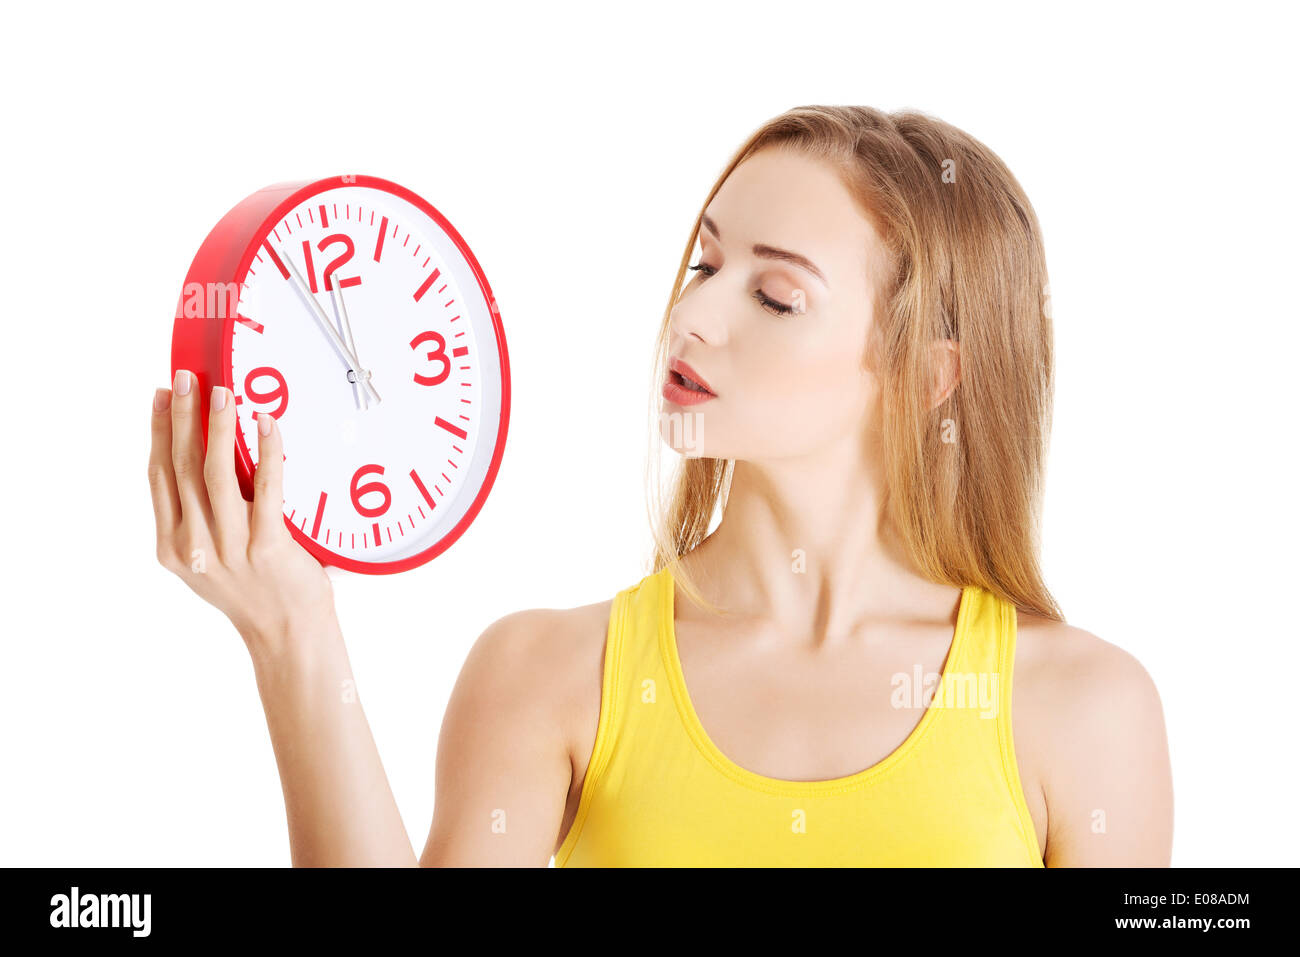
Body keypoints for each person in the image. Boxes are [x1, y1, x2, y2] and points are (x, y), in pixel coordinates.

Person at [148, 105, 1173, 866]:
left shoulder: (1084, 709)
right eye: (704, 267)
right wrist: (292, 635)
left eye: (775, 295)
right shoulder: (546, 673)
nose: (693, 320)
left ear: (926, 376)